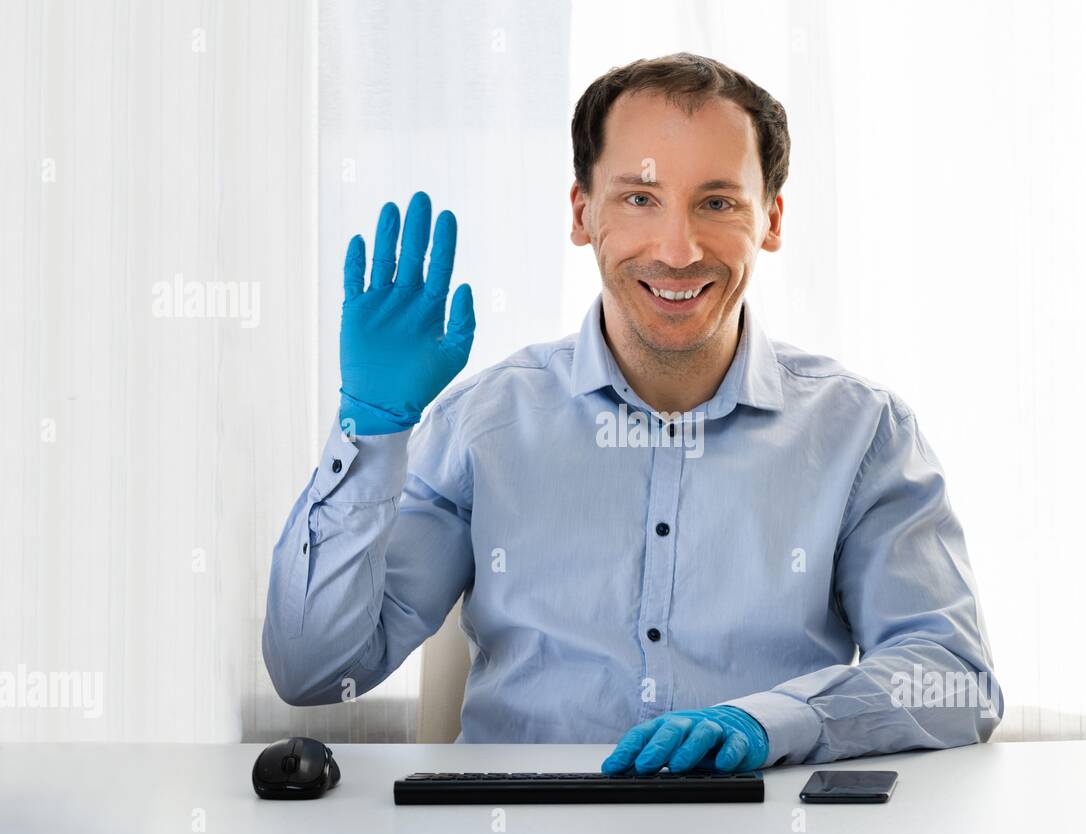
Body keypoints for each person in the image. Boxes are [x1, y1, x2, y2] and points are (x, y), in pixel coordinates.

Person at [262, 52, 1003, 775]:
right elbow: (316, 671)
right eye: (639, 198)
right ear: (583, 213)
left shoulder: (860, 433)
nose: (677, 250)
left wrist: (773, 719)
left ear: (770, 220)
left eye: (717, 202)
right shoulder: (484, 424)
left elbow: (951, 676)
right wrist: (371, 428)